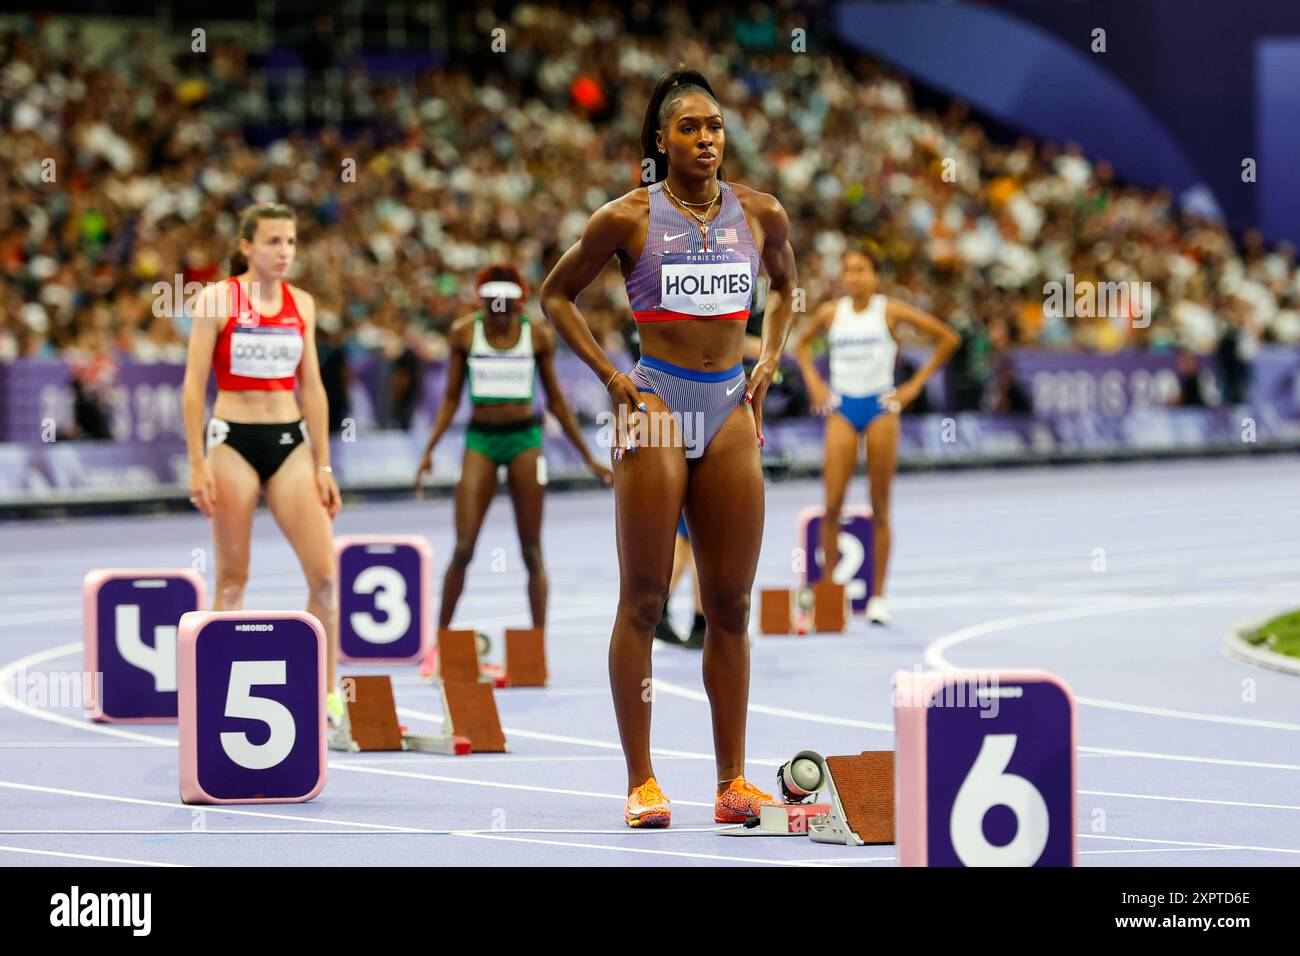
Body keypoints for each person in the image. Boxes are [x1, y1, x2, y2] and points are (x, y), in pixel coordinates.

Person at [540, 68, 798, 828]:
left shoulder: (761, 213)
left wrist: (772, 354)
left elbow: (785, 288)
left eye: (715, 126)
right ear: (661, 140)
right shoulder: (625, 219)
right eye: (689, 127)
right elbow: (555, 294)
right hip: (654, 402)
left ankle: (732, 782)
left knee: (730, 603)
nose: (706, 138)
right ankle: (643, 781)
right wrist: (610, 374)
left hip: (728, 409)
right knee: (646, 599)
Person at [180, 201, 345, 723]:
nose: (285, 253)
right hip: (232, 442)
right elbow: (191, 389)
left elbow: (313, 388)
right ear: (247, 247)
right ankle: (218, 699)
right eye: (274, 242)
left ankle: (323, 696)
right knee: (232, 580)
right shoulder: (217, 300)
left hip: (290, 443)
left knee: (325, 579)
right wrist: (197, 463)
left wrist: (324, 465)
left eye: (291, 242)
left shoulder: (303, 303)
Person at [416, 263, 612, 637]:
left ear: (520, 303)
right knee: (463, 547)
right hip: (481, 440)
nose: (500, 312)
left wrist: (587, 457)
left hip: (525, 440)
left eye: (508, 304)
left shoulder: (537, 336)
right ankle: (440, 640)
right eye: (493, 304)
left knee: (531, 550)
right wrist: (429, 449)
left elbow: (556, 402)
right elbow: (451, 399)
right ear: (482, 302)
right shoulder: (463, 334)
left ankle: (536, 647)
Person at [794, 249, 959, 624]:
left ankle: (879, 597)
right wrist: (815, 384)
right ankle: (826, 595)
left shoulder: (889, 310)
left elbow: (948, 338)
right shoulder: (830, 313)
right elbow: (800, 346)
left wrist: (914, 386)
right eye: (848, 270)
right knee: (832, 503)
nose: (853, 277)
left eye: (861, 270)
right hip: (842, 407)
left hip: (881, 406)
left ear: (874, 276)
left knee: (879, 503)